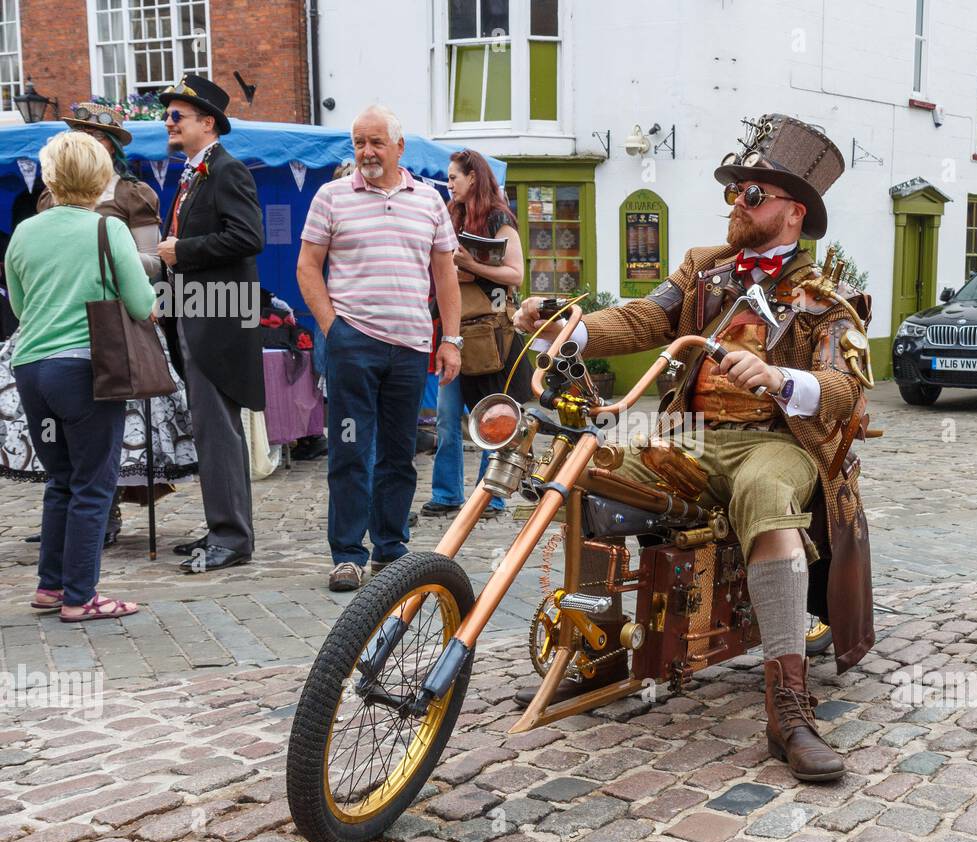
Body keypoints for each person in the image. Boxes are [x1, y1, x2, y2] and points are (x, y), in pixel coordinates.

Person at [511, 114, 878, 782]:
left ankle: (789, 711)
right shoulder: (702, 273)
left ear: (793, 214)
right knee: (591, 461)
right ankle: (592, 651)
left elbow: (844, 386)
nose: (736, 204)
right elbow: (643, 318)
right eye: (735, 192)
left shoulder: (825, 296)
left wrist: (778, 377)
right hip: (694, 436)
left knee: (767, 495)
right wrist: (570, 329)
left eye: (753, 195)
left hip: (778, 441)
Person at [0, 103, 198, 543]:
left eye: (90, 134)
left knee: (110, 439)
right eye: (75, 133)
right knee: (66, 448)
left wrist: (110, 259)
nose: (82, 140)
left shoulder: (132, 194)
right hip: (58, 331)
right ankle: (74, 521)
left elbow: (151, 265)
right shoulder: (48, 199)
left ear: (108, 146)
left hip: (114, 330)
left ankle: (102, 517)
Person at [297, 106, 462, 592]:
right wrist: (334, 329)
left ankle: (390, 546)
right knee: (348, 448)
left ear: (399, 147)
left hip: (411, 348)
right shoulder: (331, 197)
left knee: (399, 453)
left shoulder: (429, 200)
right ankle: (347, 553)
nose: (367, 152)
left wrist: (450, 340)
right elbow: (308, 267)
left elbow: (445, 275)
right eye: (359, 142)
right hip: (355, 347)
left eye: (376, 142)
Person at [4, 131, 156, 620]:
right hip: (87, 367)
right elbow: (140, 303)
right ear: (99, 177)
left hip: (31, 367)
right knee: (94, 483)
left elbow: (22, 305)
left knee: (61, 480)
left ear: (49, 176)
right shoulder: (106, 229)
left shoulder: (25, 231)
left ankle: (50, 587)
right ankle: (80, 596)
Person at [157, 75, 265, 573]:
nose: (168, 122)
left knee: (217, 428)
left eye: (176, 115)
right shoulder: (193, 173)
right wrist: (166, 296)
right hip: (197, 309)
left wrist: (182, 252)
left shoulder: (227, 170)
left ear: (207, 122)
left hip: (219, 317)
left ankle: (231, 536)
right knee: (210, 429)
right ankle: (224, 524)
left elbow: (248, 237)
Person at [423, 149, 526, 519]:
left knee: (492, 417)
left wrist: (470, 264)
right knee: (447, 417)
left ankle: (490, 497)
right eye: (449, 178)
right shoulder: (450, 216)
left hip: (490, 331)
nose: (449, 184)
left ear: (473, 178)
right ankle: (447, 493)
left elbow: (516, 275)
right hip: (456, 329)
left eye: (454, 177)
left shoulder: (499, 216)